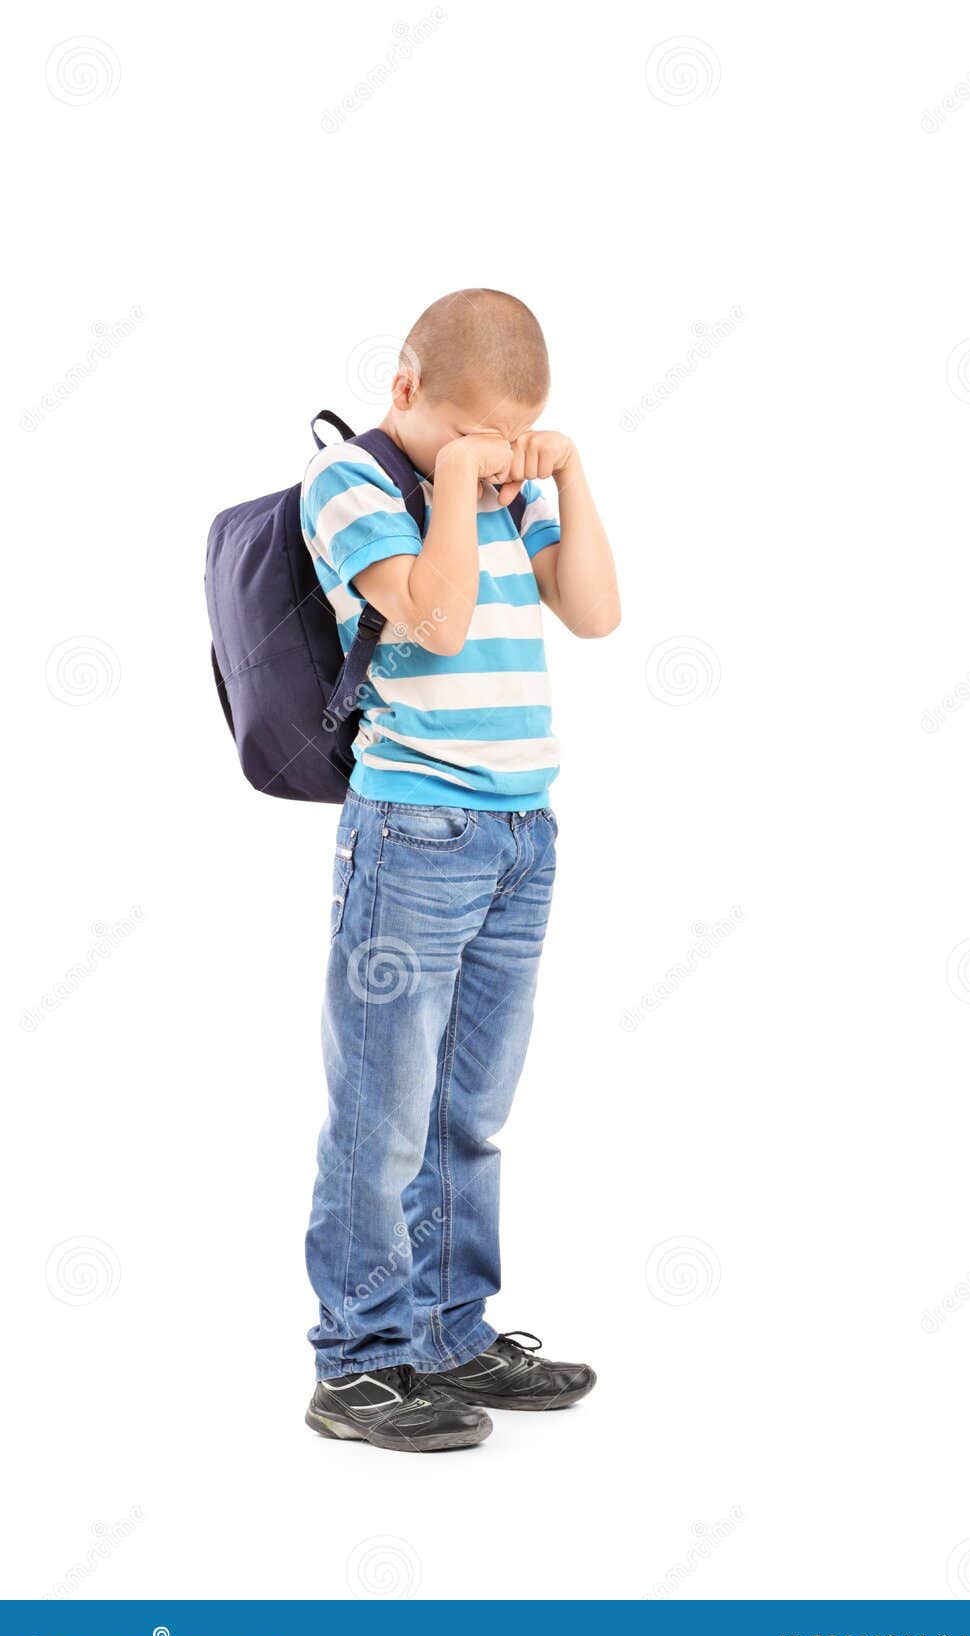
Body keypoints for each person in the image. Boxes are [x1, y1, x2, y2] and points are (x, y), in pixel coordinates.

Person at [301, 289, 620, 1451]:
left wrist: (563, 480)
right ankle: (359, 1360)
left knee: (468, 1110)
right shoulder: (352, 486)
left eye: (508, 443)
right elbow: (432, 621)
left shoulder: (507, 489)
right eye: (468, 438)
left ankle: (448, 1328)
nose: (490, 464)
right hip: (411, 834)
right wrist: (448, 487)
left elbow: (592, 612)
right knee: (381, 1110)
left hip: (519, 832)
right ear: (403, 392)